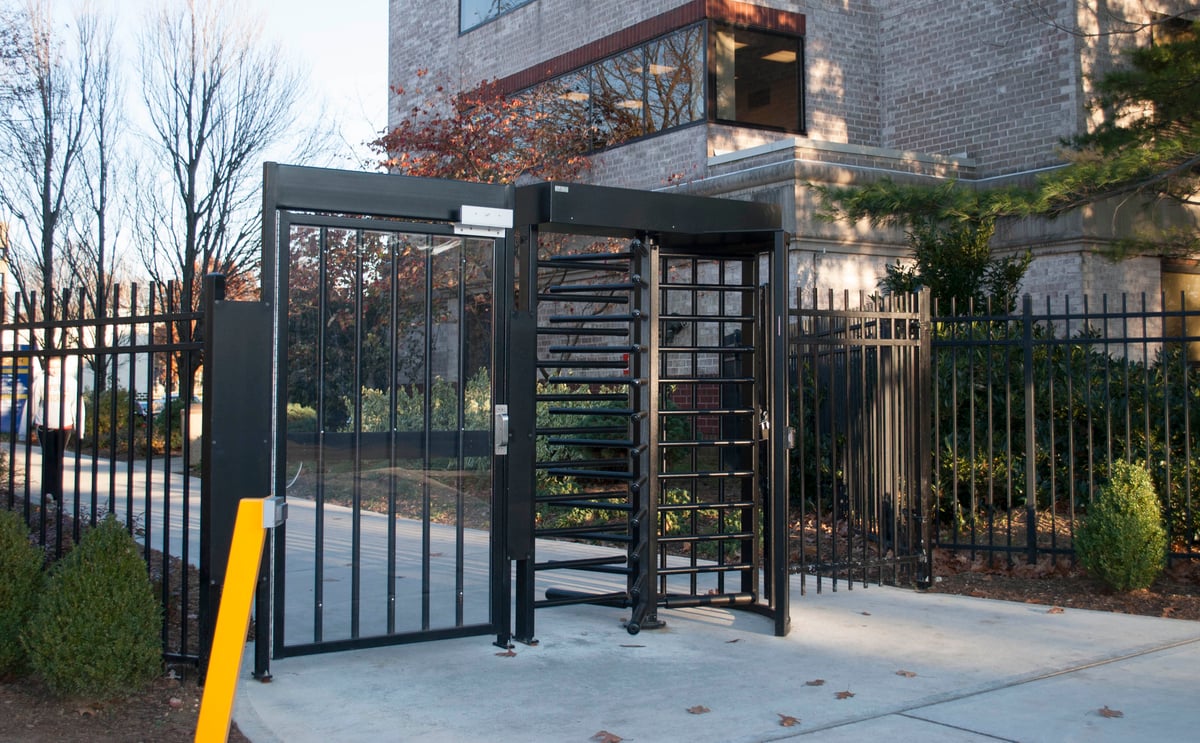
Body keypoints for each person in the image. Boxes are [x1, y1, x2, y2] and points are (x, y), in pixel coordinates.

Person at [28, 356, 82, 504]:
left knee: (58, 459)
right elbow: (32, 403)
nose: (53, 370)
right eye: (51, 367)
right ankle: (47, 491)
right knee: (48, 458)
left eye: (56, 367)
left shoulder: (70, 382)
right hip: (45, 426)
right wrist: (27, 424)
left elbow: (77, 405)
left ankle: (56, 492)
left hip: (64, 426)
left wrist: (79, 428)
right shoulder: (40, 382)